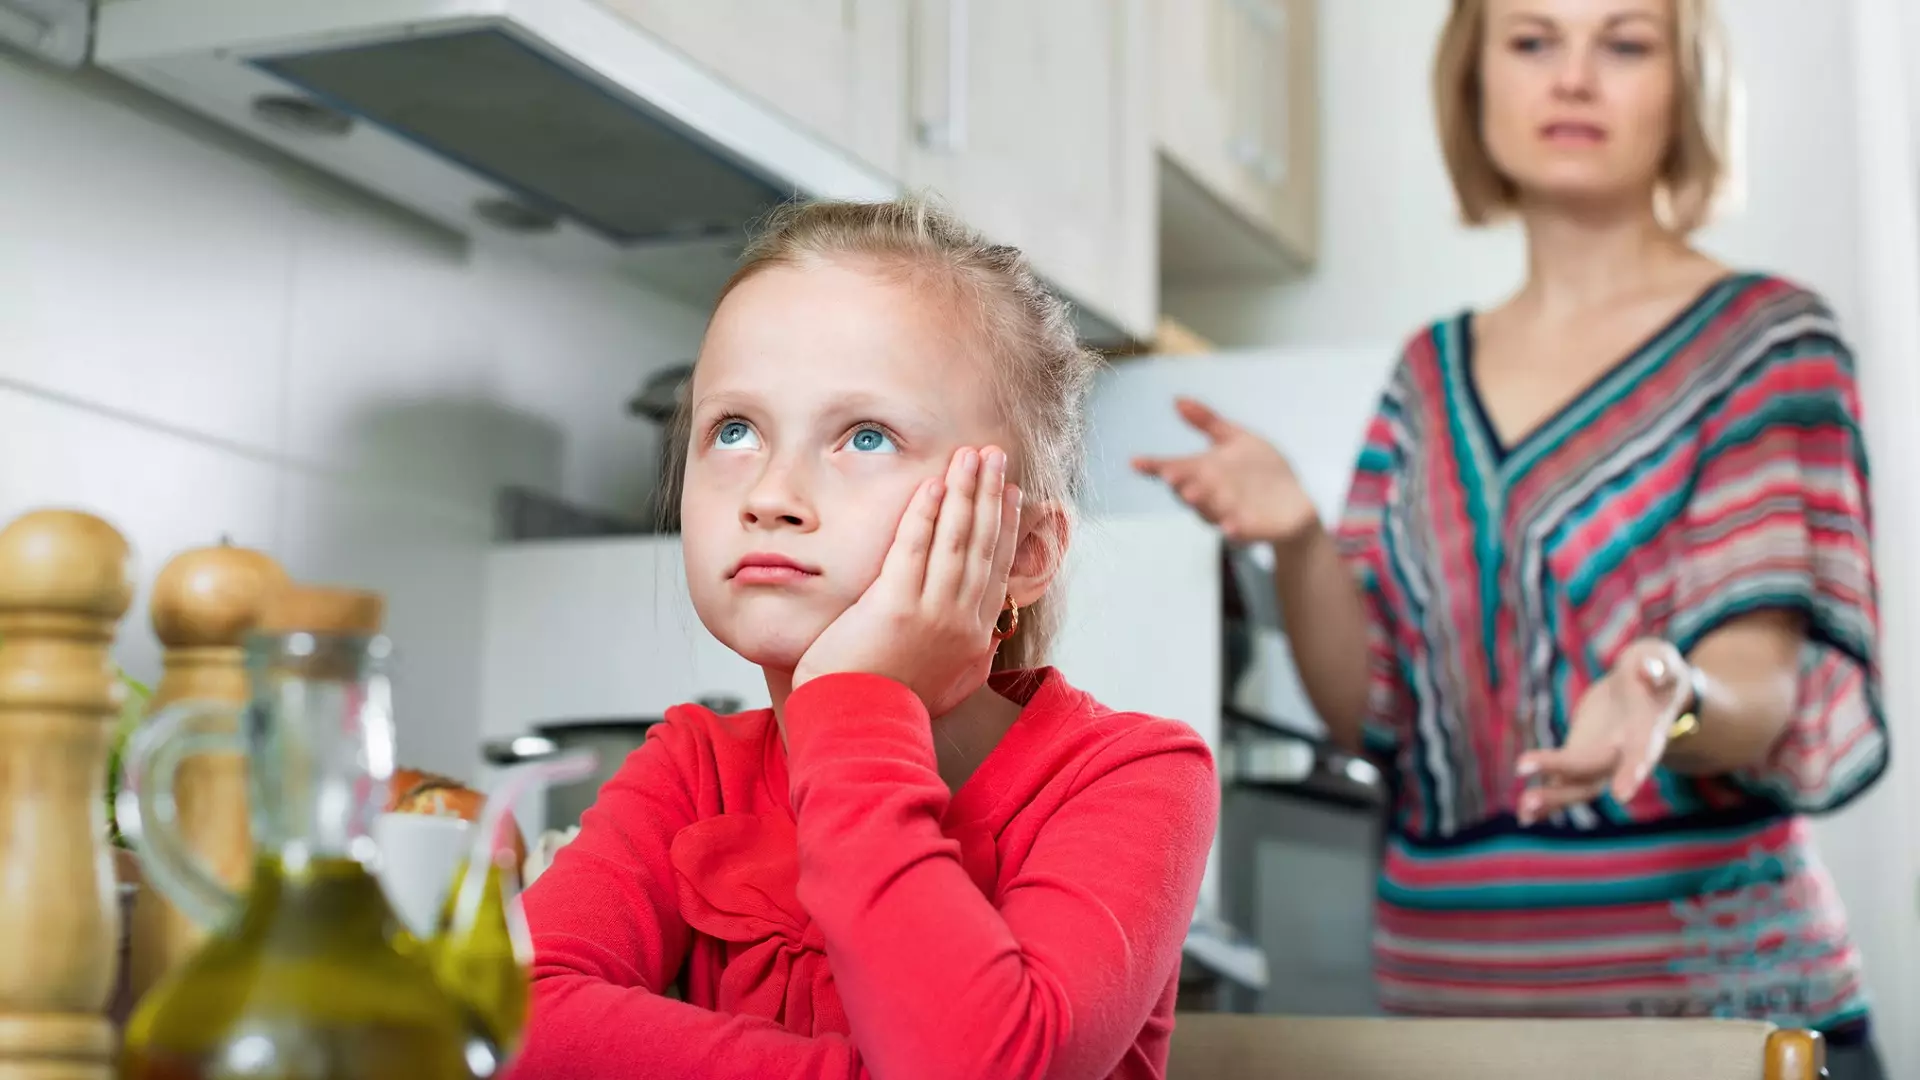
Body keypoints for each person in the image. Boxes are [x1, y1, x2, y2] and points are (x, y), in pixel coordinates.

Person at [1135, 0, 1888, 1075]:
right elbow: (1369, 711)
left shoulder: (1768, 341)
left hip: (1716, 1031)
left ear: (1685, 86)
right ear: (1475, 82)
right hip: (1449, 1028)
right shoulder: (1424, 378)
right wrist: (1301, 540)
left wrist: (1665, 687)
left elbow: (1760, 685)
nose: (1573, 77)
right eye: (1533, 40)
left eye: (1624, 44)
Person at [508, 198, 1218, 1080]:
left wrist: (853, 708)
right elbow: (517, 1016)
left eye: (866, 435)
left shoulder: (1131, 778)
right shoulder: (693, 771)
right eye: (734, 430)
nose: (770, 491)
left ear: (1023, 552)